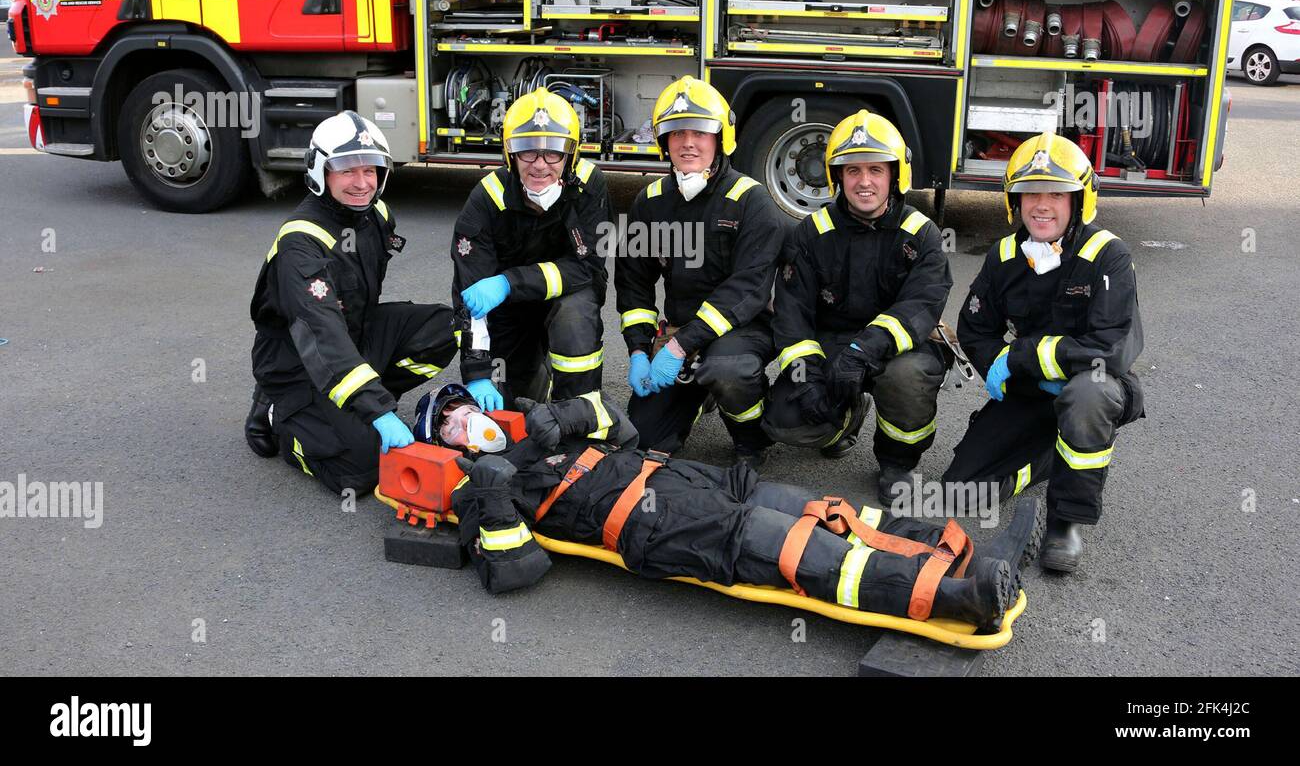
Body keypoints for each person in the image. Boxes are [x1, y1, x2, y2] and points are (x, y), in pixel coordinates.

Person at [413, 384, 1044, 629]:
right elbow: (515, 571)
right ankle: (958, 598)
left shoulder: (532, 429)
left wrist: (574, 412)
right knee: (788, 544)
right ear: (442, 448)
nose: (463, 423)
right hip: (653, 523)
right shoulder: (483, 487)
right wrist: (493, 492)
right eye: (447, 426)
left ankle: (947, 547)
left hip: (684, 478)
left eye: (463, 409)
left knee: (822, 509)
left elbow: (631, 435)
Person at [944, 133, 1145, 572]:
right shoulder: (1004, 255)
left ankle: (1066, 521)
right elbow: (975, 329)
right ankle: (1049, 456)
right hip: (1032, 391)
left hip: (1094, 386)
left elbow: (1107, 351)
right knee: (960, 489)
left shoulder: (1108, 255)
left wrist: (1020, 356)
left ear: (1079, 199)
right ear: (1014, 200)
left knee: (1087, 395)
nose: (1041, 205)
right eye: (1030, 192)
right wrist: (1003, 365)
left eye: (1055, 193)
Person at [245, 111, 457, 493]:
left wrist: (374, 401)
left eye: (370, 170)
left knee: (445, 329)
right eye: (347, 171)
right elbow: (322, 336)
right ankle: (277, 415)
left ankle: (357, 403)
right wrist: (379, 413)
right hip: (299, 363)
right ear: (320, 172)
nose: (362, 183)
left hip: (353, 336)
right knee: (361, 470)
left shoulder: (375, 214)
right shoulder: (301, 243)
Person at [764, 111, 953, 503]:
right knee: (786, 420)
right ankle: (846, 419)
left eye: (875, 170)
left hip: (900, 349)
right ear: (837, 177)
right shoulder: (812, 233)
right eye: (852, 171)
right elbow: (792, 312)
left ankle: (897, 462)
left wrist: (863, 351)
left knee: (908, 378)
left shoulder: (922, 234)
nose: (864, 182)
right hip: (833, 343)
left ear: (894, 175)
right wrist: (809, 375)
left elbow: (921, 305)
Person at [614, 76, 785, 465]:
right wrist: (640, 349)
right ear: (664, 143)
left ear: (720, 138)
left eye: (699, 132)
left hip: (744, 329)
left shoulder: (750, 201)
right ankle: (699, 389)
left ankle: (749, 439)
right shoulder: (651, 202)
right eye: (676, 133)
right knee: (645, 438)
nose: (687, 142)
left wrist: (678, 346)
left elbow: (748, 290)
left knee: (727, 368)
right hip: (682, 334)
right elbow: (634, 283)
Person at [450, 88, 611, 412]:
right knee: (512, 408)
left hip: (566, 295)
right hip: (510, 311)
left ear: (571, 155)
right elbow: (469, 292)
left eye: (553, 153)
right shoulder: (488, 198)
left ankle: (578, 408)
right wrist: (478, 371)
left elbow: (589, 268)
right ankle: (540, 375)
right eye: (527, 152)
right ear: (510, 154)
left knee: (574, 315)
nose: (540, 165)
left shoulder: (589, 184)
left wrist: (509, 281)